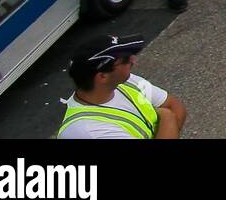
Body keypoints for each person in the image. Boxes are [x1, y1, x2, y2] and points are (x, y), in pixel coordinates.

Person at [57, 35, 186, 139]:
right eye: (125, 60)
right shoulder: (88, 131)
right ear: (102, 77)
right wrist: (167, 116)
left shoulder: (125, 81)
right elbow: (170, 110)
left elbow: (175, 106)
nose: (133, 60)